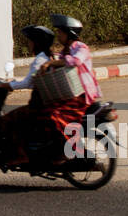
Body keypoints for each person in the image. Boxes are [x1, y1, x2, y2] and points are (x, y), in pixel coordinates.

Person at [37, 13, 101, 161]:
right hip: (70, 94)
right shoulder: (65, 51)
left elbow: (76, 61)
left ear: (69, 34)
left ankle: (71, 151)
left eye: (61, 32)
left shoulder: (81, 48)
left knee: (57, 117)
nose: (59, 35)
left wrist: (51, 63)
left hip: (82, 96)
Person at [0, 24, 56, 168]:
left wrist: (6, 85)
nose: (28, 44)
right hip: (47, 103)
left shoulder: (40, 60)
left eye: (30, 41)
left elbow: (28, 83)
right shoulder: (50, 56)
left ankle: (21, 155)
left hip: (39, 106)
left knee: (7, 120)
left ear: (36, 42)